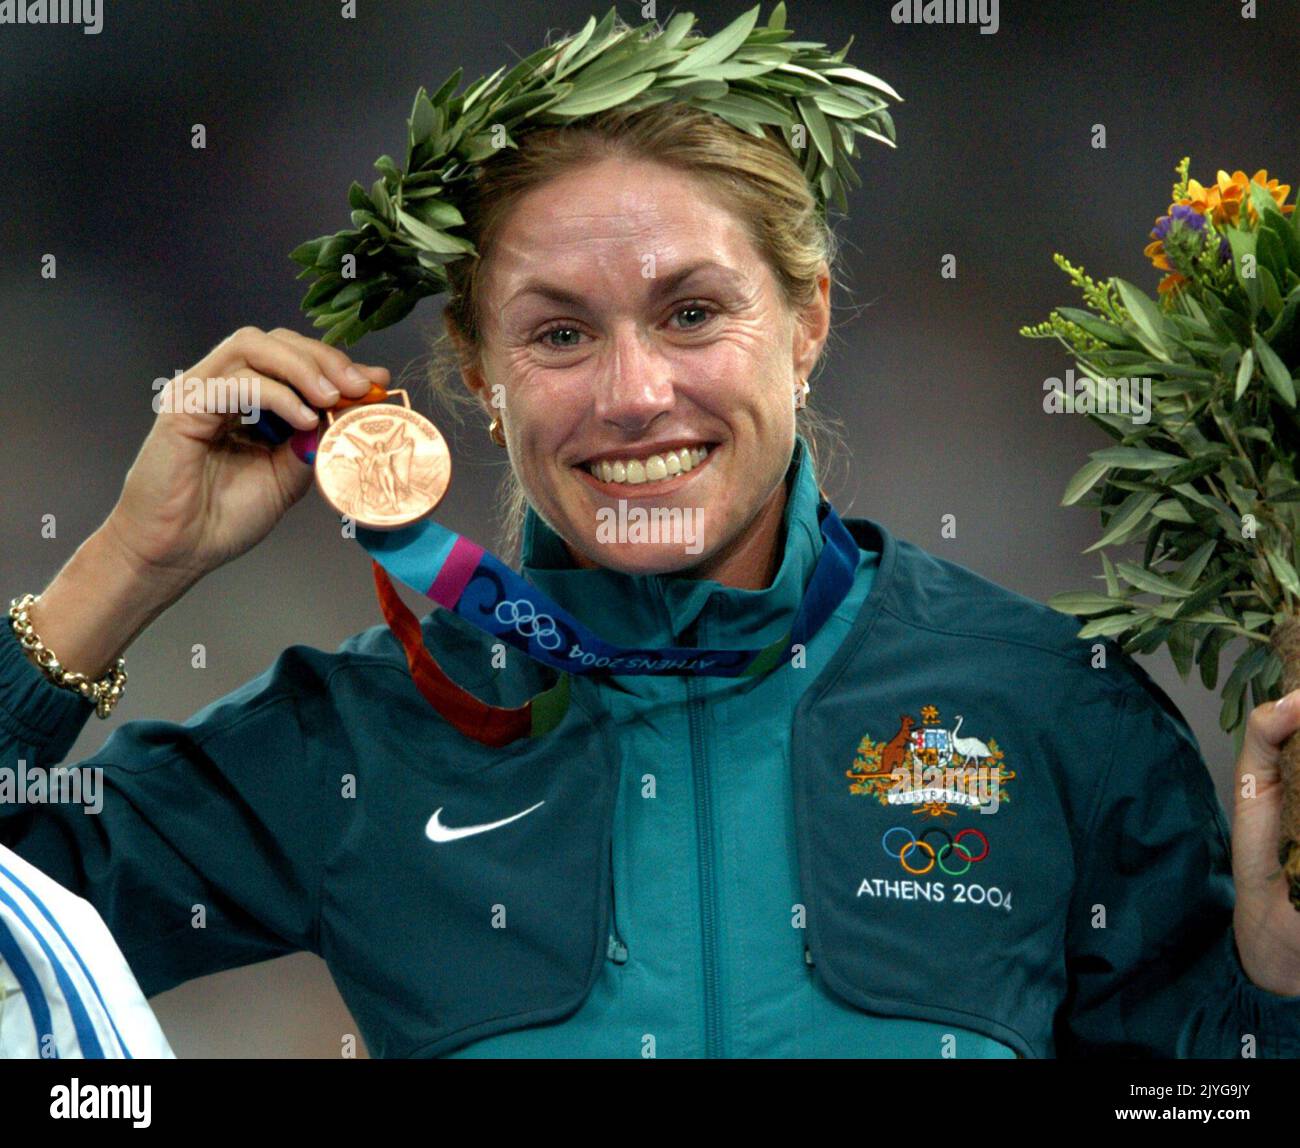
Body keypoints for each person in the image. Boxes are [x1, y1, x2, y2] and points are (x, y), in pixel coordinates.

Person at [5, 7, 1300, 1060]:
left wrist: (1285, 991)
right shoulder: (355, 740)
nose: (633, 395)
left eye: (691, 313)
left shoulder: (1049, 709)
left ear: (808, 324)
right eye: (560, 333)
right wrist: (128, 564)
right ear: (479, 366)